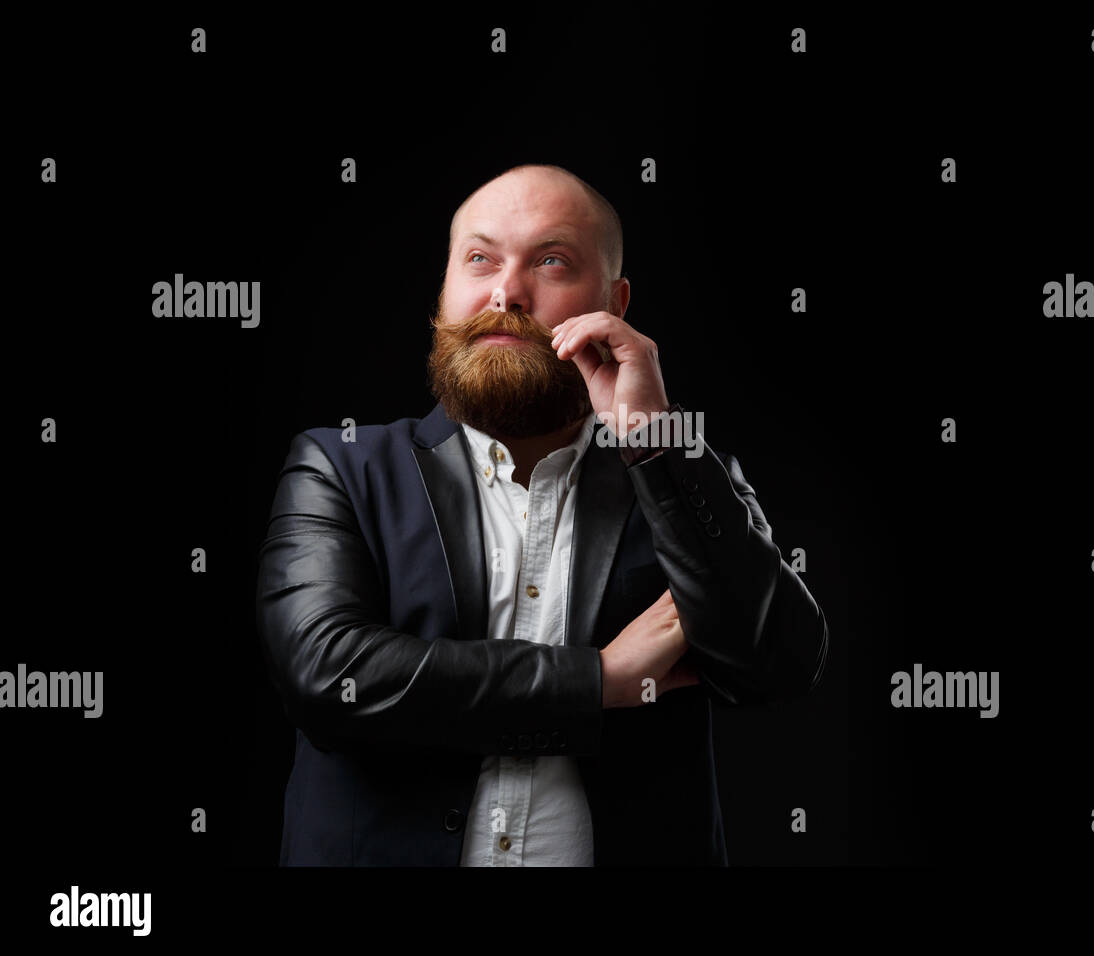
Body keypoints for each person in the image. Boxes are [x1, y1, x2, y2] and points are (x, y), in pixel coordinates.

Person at [255, 163, 829, 866]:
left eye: (551, 261)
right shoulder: (340, 467)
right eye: (480, 259)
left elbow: (776, 666)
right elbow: (327, 678)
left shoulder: (681, 481)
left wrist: (655, 445)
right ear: (446, 288)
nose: (507, 292)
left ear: (614, 300)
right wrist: (599, 682)